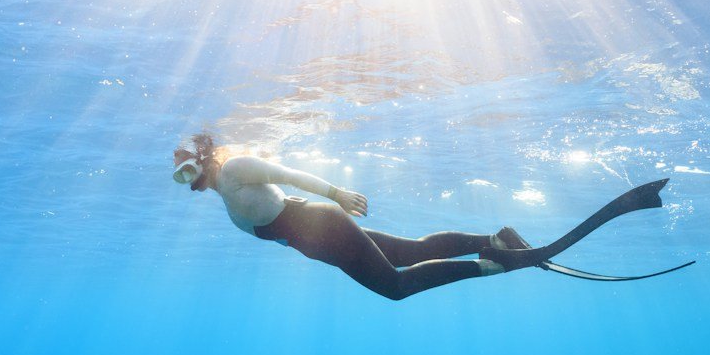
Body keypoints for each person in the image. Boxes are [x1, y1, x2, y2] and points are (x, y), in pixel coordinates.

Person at [171, 132, 683, 300]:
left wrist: (337, 192)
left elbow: (288, 174)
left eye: (184, 162)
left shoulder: (236, 168)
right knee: (410, 253)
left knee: (395, 286)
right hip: (314, 239)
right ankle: (494, 238)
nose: (182, 173)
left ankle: (492, 263)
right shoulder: (223, 192)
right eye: (179, 170)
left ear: (202, 155)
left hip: (322, 223)